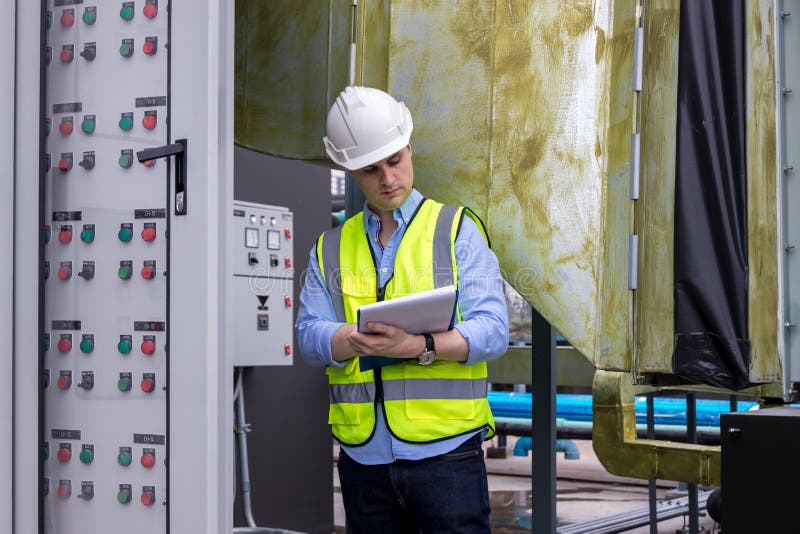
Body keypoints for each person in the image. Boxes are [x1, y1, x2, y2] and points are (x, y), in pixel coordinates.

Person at [296, 86, 509, 533]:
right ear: (351, 171)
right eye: (370, 169)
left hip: (447, 457)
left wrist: (417, 345)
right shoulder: (330, 247)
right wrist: (348, 340)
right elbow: (307, 336)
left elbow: (493, 330)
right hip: (361, 459)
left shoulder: (456, 230)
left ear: (409, 147)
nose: (387, 178)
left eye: (395, 160)